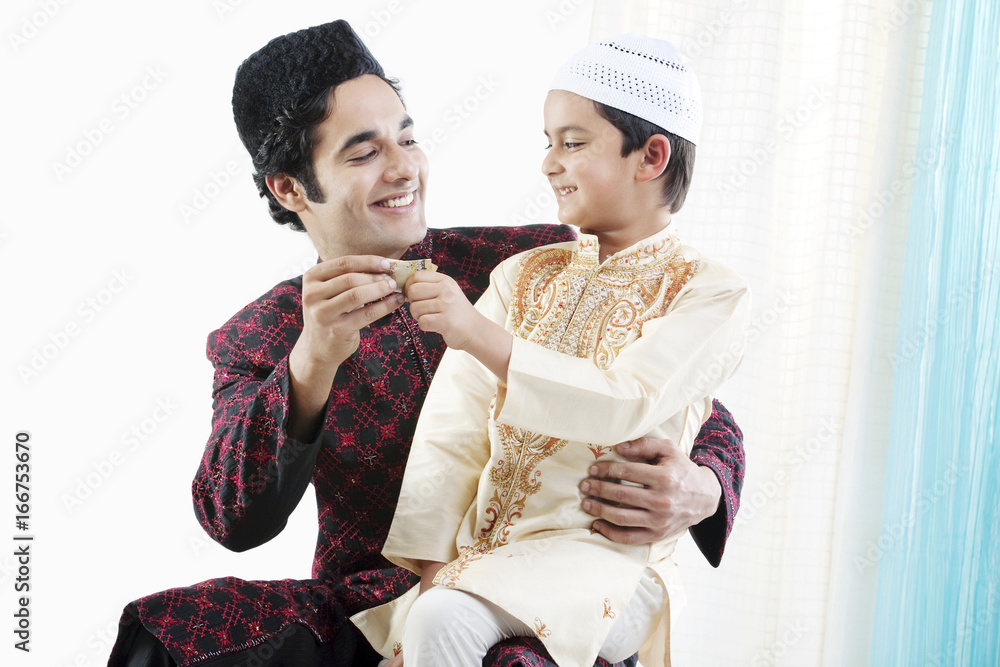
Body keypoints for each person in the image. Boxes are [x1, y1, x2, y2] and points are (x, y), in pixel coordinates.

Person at [107, 21, 747, 667]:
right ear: (290, 187)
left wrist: (701, 487)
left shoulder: (526, 262)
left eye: (407, 138)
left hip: (543, 588)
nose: (404, 166)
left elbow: (690, 400)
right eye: (364, 153)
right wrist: (312, 361)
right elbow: (231, 518)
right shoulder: (264, 332)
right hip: (367, 604)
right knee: (172, 632)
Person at [352, 34, 749, 667]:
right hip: (487, 557)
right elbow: (452, 433)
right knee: (434, 613)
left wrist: (475, 332)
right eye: (547, 142)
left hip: (609, 565)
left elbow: (627, 401)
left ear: (650, 156)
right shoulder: (523, 274)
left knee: (444, 618)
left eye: (572, 142)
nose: (548, 163)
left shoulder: (708, 292)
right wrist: (432, 569)